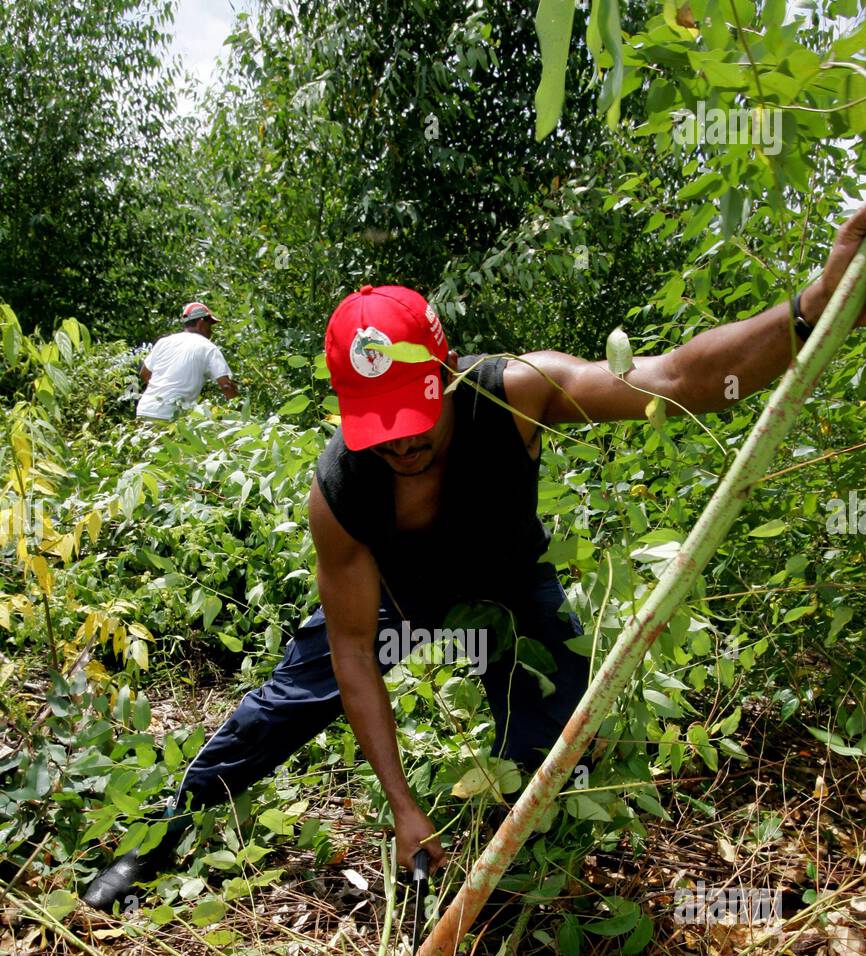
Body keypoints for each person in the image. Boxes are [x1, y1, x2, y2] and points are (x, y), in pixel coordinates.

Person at [82, 204, 866, 911]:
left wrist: (815, 302)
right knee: (276, 711)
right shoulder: (341, 490)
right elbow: (355, 651)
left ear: (450, 373)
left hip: (507, 595)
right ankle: (159, 835)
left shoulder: (517, 396)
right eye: (378, 425)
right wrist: (400, 806)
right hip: (396, 603)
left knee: (554, 746)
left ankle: (506, 888)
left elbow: (675, 380)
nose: (403, 440)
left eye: (416, 410)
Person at [136, 301, 238, 421]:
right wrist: (241, 414)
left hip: (145, 409)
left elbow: (144, 374)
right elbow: (226, 386)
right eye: (209, 325)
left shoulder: (164, 342)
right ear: (201, 322)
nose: (211, 331)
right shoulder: (208, 347)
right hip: (170, 416)